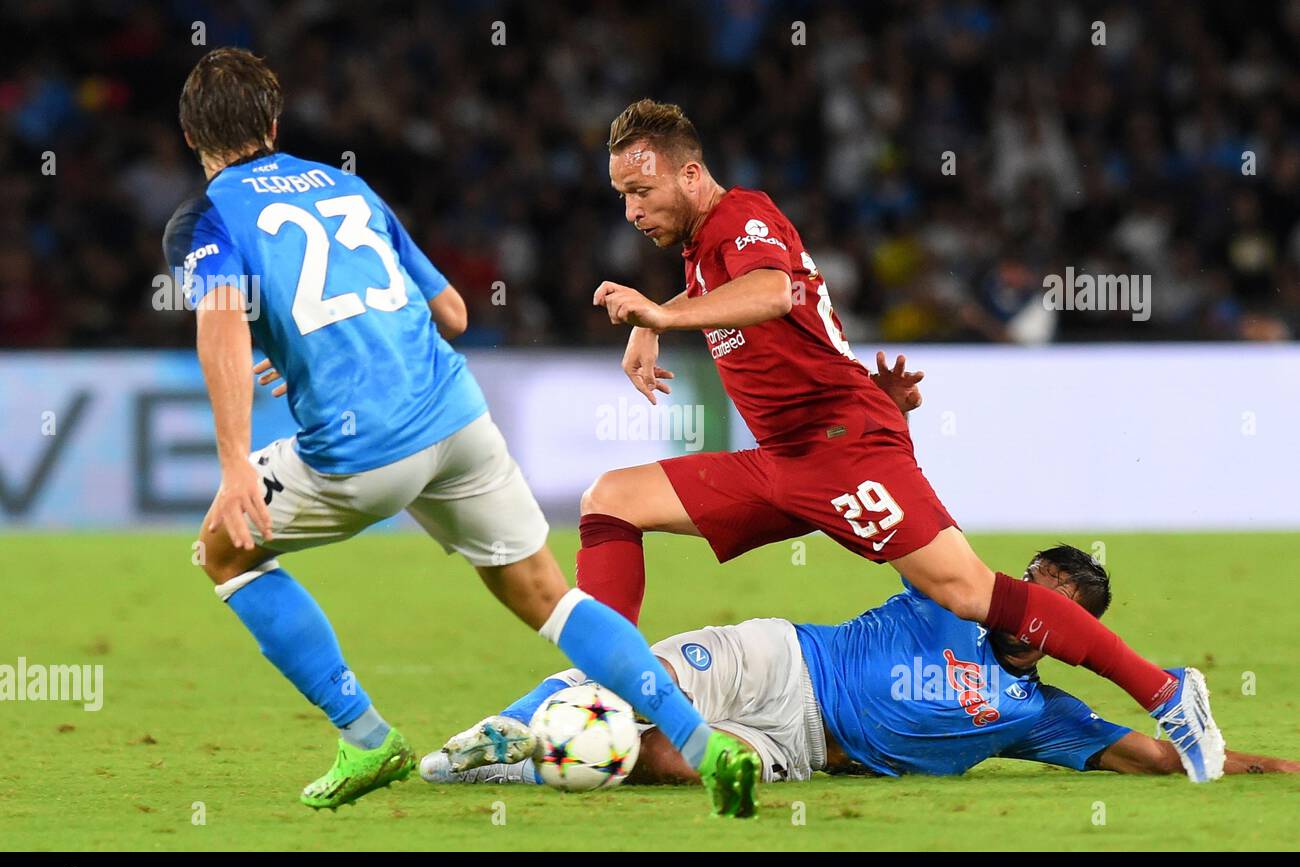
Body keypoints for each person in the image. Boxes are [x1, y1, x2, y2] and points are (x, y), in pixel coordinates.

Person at [161, 50, 759, 815]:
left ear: (188, 134)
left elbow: (219, 324)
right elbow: (451, 314)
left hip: (362, 447)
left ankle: (367, 735)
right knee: (550, 595)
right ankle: (707, 745)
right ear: (276, 124)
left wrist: (235, 461)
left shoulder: (205, 218)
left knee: (224, 549)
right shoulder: (347, 185)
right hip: (458, 418)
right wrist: (325, 340)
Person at [579, 98, 1222, 781]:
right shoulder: (703, 248)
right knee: (612, 499)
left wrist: (656, 314)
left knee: (970, 592)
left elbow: (772, 292)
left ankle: (1167, 691)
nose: (632, 211)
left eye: (640, 191)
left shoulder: (741, 215)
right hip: (788, 460)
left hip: (844, 445)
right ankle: (607, 689)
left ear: (690, 174)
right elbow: (736, 291)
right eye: (623, 195)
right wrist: (654, 321)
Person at [424, 547, 1272, 788]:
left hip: (802, 749)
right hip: (777, 660)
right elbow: (903, 515)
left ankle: (517, 756)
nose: (1037, 611)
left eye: (1061, 611)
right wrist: (893, 415)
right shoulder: (951, 596)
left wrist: (1270, 763)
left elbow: (1163, 755)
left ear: (1076, 632)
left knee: (647, 759)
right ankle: (472, 741)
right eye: (1034, 588)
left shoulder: (1037, 714)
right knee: (629, 689)